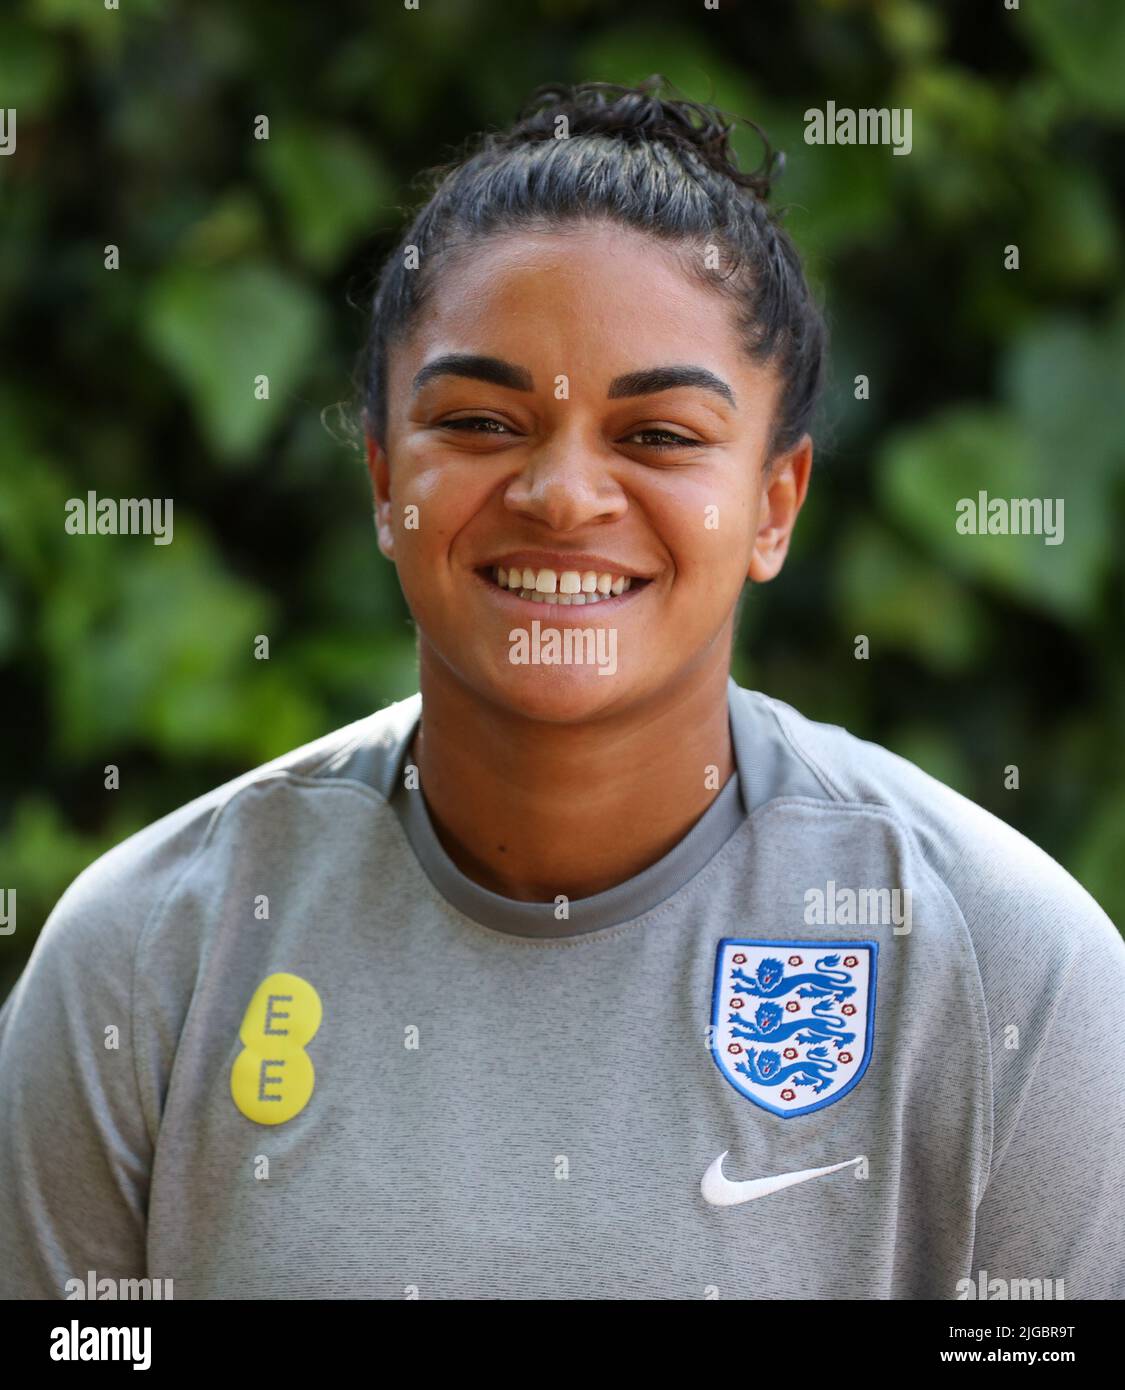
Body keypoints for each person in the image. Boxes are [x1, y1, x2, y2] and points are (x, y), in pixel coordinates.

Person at [2, 78, 1123, 1301]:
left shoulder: (1008, 968)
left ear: (775, 504)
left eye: (658, 436)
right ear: (385, 479)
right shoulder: (147, 957)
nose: (564, 495)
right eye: (481, 421)